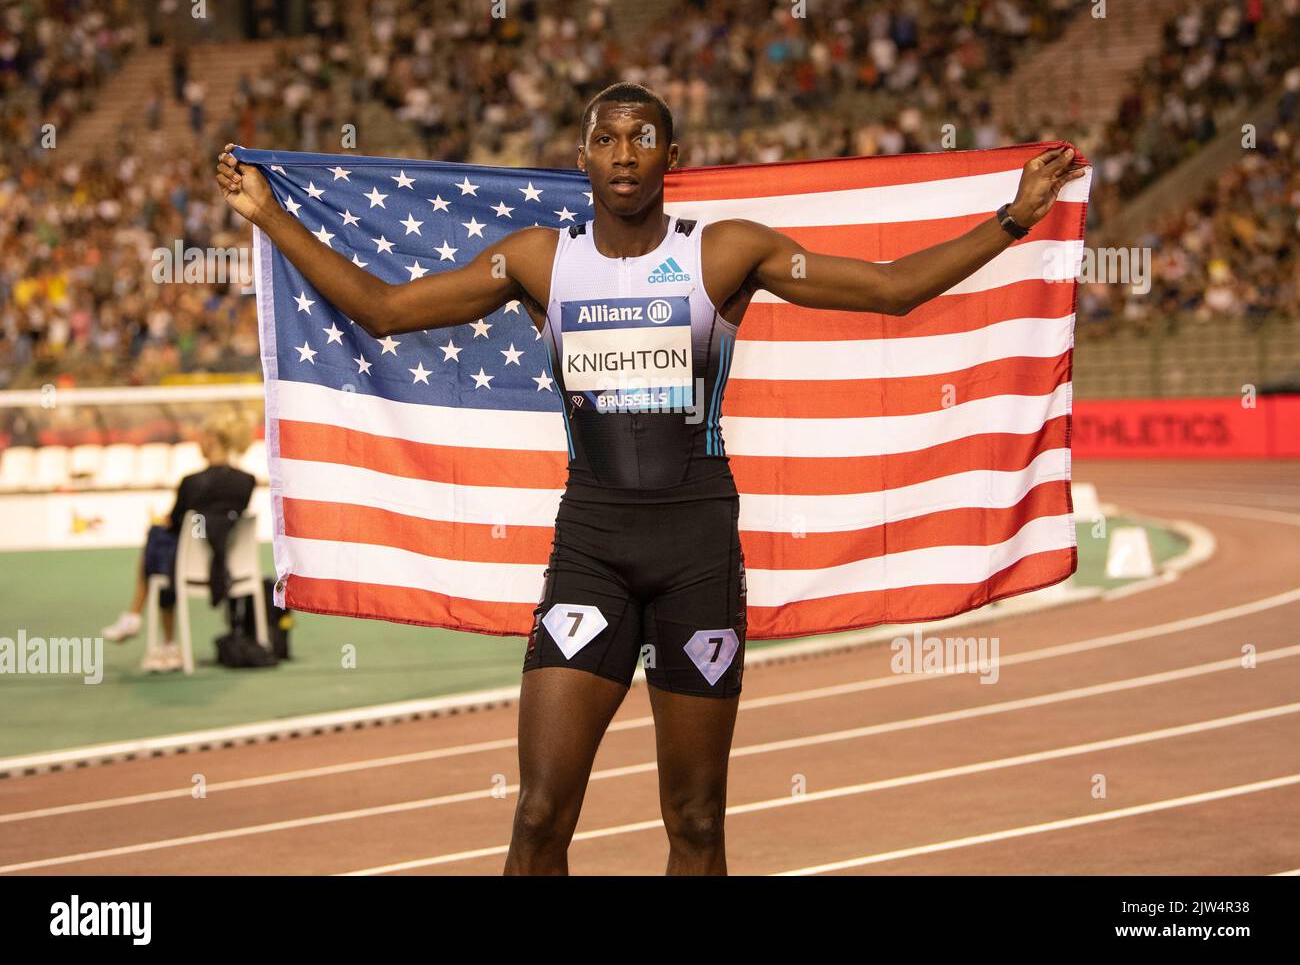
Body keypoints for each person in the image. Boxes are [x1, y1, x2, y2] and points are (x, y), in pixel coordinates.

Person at [215, 81, 1084, 874]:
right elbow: (386, 309)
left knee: (697, 822)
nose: (623, 152)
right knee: (540, 814)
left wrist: (1013, 220)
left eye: (641, 137)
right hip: (590, 546)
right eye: (605, 137)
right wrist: (267, 215)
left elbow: (892, 289)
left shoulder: (726, 254)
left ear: (673, 158)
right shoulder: (537, 262)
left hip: (698, 553)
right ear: (582, 156)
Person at [103, 412, 257, 672]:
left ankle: (155, 632)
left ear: (210, 440)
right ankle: (137, 621)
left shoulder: (191, 482)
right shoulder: (246, 481)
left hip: (188, 569)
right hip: (230, 566)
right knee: (163, 543)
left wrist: (161, 524)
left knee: (157, 540)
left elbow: (177, 523)